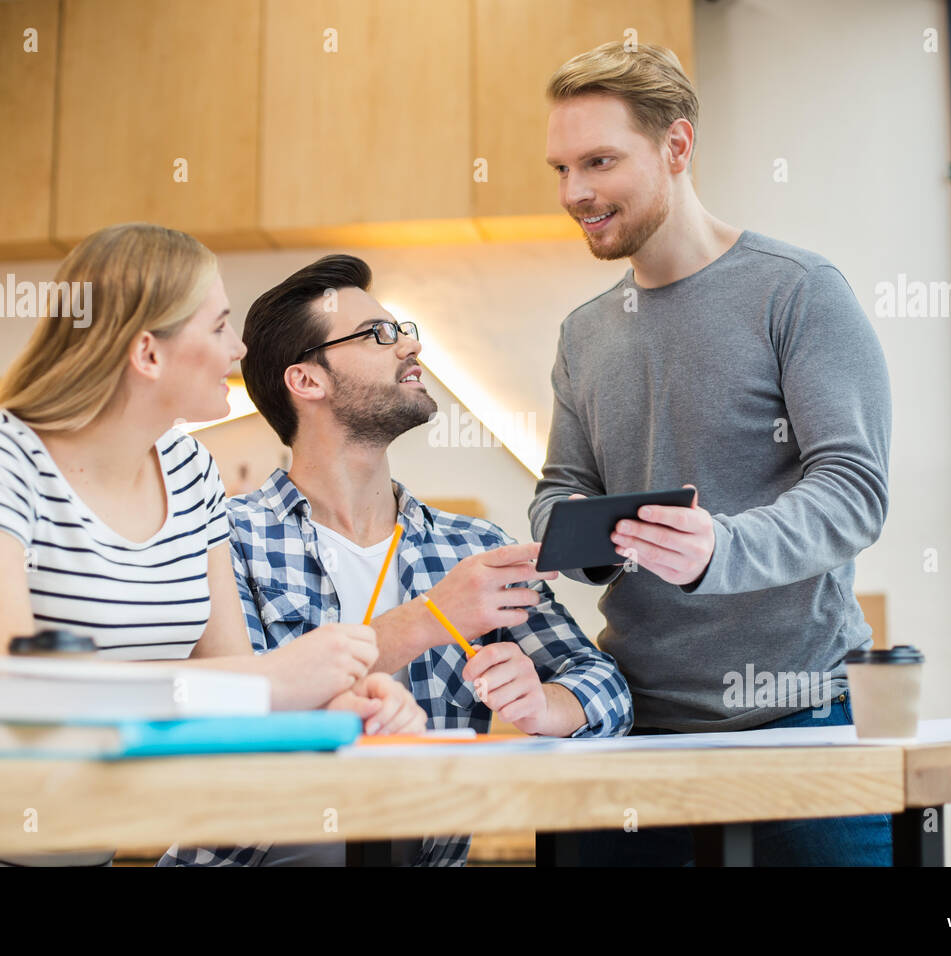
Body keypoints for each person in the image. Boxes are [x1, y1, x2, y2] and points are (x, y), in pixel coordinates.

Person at [0, 223, 423, 868]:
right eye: (219, 325)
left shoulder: (191, 471)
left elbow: (226, 685)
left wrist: (340, 705)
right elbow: (4, 691)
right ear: (148, 353)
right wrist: (270, 679)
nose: (238, 347)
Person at [531, 42, 894, 865]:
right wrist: (578, 544)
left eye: (599, 161)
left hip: (802, 729)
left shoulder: (798, 292)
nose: (574, 192)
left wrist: (719, 550)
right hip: (631, 728)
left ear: (677, 147)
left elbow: (853, 490)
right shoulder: (584, 335)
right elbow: (562, 488)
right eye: (560, 167)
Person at [161, 253, 632, 866]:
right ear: (307, 380)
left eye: (405, 329)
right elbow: (238, 714)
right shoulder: (226, 535)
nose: (409, 345)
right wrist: (432, 617)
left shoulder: (472, 547)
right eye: (380, 334)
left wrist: (548, 705)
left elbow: (608, 688)